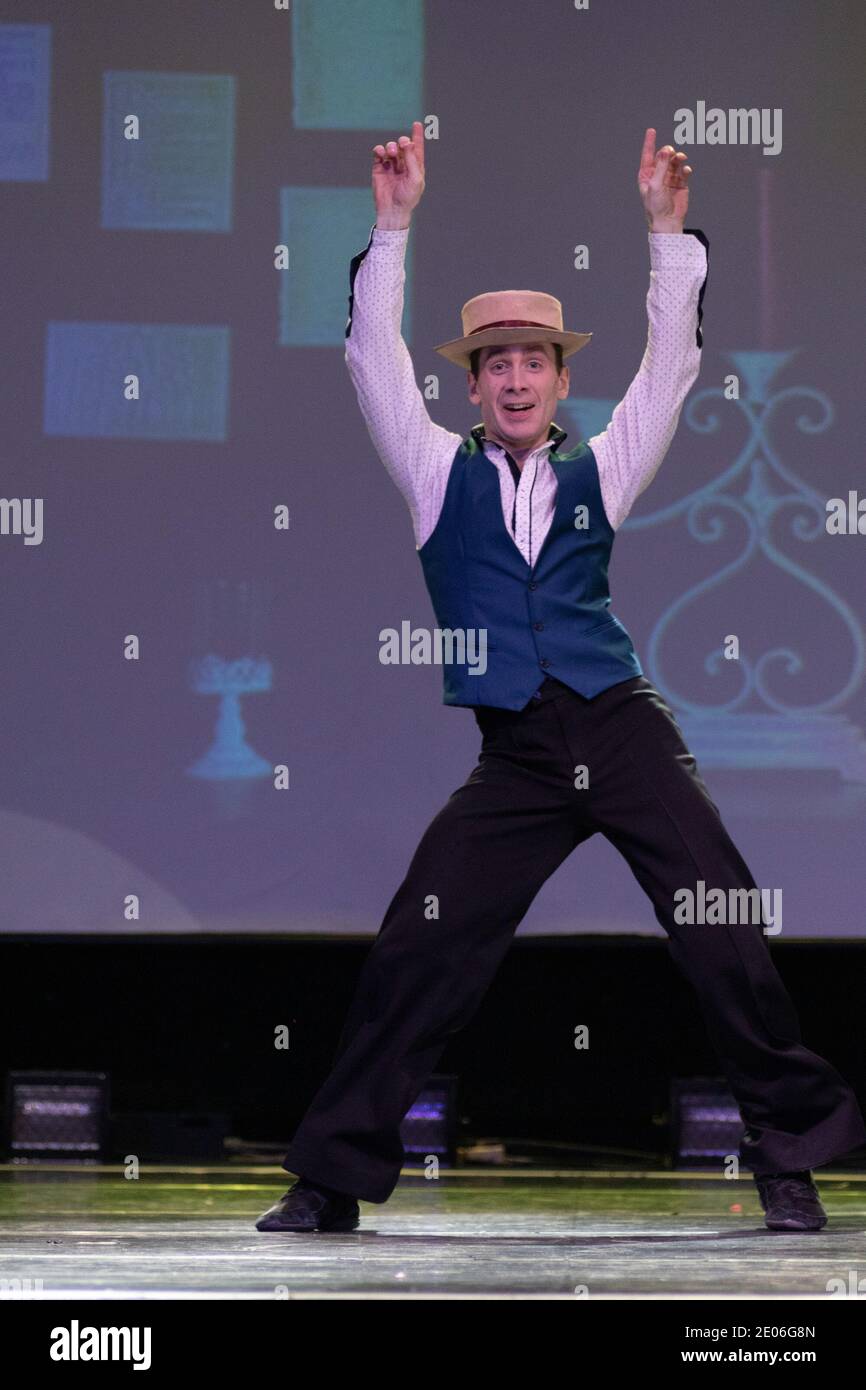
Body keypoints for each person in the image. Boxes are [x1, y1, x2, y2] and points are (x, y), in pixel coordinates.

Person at [256, 124, 865, 1236]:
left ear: (558, 377)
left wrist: (663, 233)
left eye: (533, 360)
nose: (515, 377)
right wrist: (391, 226)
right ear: (476, 386)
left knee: (720, 925)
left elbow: (671, 363)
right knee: (419, 946)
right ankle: (330, 1177)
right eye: (495, 363)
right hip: (521, 752)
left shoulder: (604, 464)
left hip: (620, 726)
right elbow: (370, 360)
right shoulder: (434, 474)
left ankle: (788, 1160)